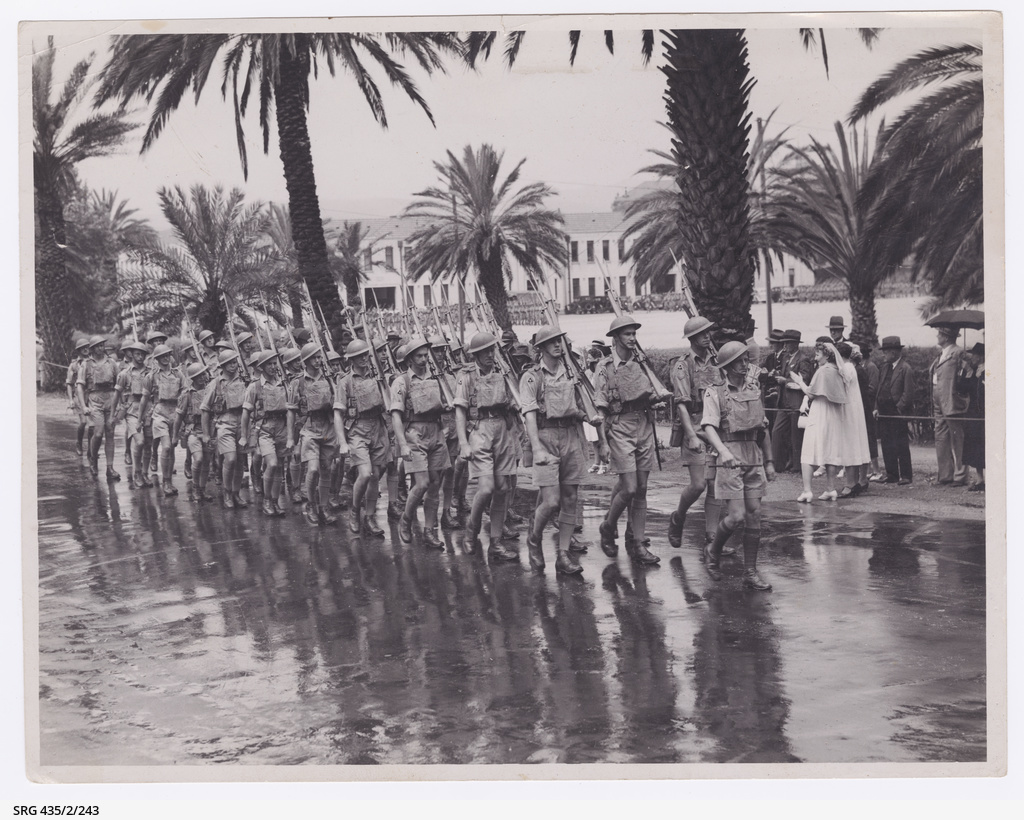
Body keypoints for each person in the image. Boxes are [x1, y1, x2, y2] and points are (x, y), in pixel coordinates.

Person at [700, 341, 776, 591]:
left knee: (754, 514)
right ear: (727, 367)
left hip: (752, 452)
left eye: (746, 359)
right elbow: (708, 426)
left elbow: (763, 427)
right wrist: (721, 451)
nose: (746, 364)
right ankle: (713, 550)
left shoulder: (754, 388)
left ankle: (750, 572)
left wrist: (769, 461)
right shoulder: (714, 392)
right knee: (736, 517)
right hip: (730, 454)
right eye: (740, 361)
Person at [518, 326, 587, 574]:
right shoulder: (532, 377)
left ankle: (563, 554)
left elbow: (582, 405)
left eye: (560, 340)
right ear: (541, 348)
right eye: (552, 342)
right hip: (545, 437)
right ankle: (534, 539)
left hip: (570, 435)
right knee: (551, 501)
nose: (558, 345)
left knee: (570, 498)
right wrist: (536, 448)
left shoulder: (572, 373)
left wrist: (590, 417)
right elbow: (529, 414)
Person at [594, 315, 660, 566]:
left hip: (643, 423)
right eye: (627, 334)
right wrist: (601, 441)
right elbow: (599, 404)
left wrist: (657, 399)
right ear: (616, 338)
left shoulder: (642, 362)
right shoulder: (605, 366)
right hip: (619, 425)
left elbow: (652, 389)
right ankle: (608, 527)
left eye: (634, 334)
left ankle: (638, 543)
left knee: (641, 489)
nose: (633, 339)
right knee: (629, 487)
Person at [454, 332, 519, 560]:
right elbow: (460, 411)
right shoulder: (467, 376)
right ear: (476, 354)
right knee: (486, 488)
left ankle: (496, 542)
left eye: (493, 350)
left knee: (503, 488)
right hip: (479, 429)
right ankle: (471, 532)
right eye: (486, 352)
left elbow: (516, 401)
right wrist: (463, 443)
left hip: (502, 428)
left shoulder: (504, 373)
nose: (491, 355)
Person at [668, 315, 724, 552]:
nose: (707, 335)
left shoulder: (718, 360)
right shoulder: (682, 365)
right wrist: (690, 435)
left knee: (715, 484)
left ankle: (712, 538)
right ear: (691, 338)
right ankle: (678, 516)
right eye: (702, 333)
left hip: (716, 425)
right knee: (699, 483)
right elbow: (681, 403)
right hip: (695, 424)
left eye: (708, 331)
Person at [390, 337, 451, 550]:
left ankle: (429, 531)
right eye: (419, 356)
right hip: (414, 435)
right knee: (422, 483)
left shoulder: (437, 378)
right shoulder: (402, 382)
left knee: (435, 486)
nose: (424, 359)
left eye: (426, 355)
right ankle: (406, 519)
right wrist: (403, 444)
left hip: (436, 432)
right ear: (409, 359)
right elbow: (396, 416)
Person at [333, 339, 389, 536]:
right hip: (357, 429)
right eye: (359, 356)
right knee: (365, 474)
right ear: (352, 360)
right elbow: (338, 414)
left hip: (378, 428)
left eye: (366, 355)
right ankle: (355, 510)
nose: (364, 359)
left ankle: (370, 516)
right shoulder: (345, 382)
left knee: (375, 475)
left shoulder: (379, 377)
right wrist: (342, 442)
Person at [287, 342, 339, 526]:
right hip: (309, 428)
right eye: (314, 358)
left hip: (328, 427)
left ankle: (323, 506)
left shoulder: (330, 380)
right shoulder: (298, 382)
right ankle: (311, 503)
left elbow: (338, 408)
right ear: (306, 361)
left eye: (319, 357)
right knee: (313, 469)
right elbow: (291, 411)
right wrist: (290, 439)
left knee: (327, 469)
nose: (318, 361)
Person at [791, 339, 848, 501]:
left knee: (809, 450)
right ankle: (830, 489)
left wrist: (799, 382)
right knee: (830, 450)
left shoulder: (823, 371)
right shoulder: (838, 371)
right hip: (834, 415)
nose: (815, 358)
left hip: (820, 412)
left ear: (826, 355)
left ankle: (807, 491)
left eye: (817, 354)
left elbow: (810, 394)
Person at [241, 351, 290, 516]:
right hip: (264, 429)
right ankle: (267, 500)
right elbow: (246, 413)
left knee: (280, 466)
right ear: (261, 367)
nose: (273, 367)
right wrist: (244, 435)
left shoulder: (283, 383)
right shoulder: (254, 387)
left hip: (282, 427)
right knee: (272, 464)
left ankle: (275, 501)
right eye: (269, 364)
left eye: (274, 363)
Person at [201, 348, 249, 509]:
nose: (233, 366)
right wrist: (206, 434)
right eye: (229, 363)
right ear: (222, 366)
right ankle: (227, 491)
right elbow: (205, 410)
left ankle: (236, 493)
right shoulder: (215, 384)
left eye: (235, 362)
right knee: (231, 458)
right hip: (224, 423)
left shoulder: (244, 380)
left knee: (241, 461)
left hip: (243, 423)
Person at [139, 344, 186, 497]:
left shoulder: (178, 374)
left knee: (171, 448)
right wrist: (140, 418)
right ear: (157, 359)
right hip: (160, 414)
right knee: (165, 447)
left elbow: (185, 394)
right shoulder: (151, 376)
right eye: (162, 356)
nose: (166, 358)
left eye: (168, 355)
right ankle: (165, 482)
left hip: (176, 414)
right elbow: (144, 399)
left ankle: (168, 480)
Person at [930, 326, 971, 486]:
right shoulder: (942, 354)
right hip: (938, 397)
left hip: (951, 398)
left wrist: (960, 393)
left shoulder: (958, 353)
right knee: (940, 435)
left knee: (957, 437)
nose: (937, 336)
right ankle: (945, 474)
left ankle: (960, 476)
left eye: (940, 333)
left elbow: (966, 374)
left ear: (946, 337)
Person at [76, 335, 120, 481]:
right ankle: (93, 458)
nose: (101, 348)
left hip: (110, 398)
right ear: (92, 349)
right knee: (99, 432)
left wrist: (121, 402)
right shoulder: (86, 364)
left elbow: (119, 384)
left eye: (102, 345)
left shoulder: (112, 362)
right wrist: (83, 406)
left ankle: (110, 467)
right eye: (98, 346)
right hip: (95, 400)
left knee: (110, 432)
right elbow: (80, 387)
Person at [172, 361, 215, 504]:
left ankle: (202, 488)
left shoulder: (211, 391)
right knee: (198, 459)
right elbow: (178, 417)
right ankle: (195, 487)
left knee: (207, 461)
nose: (203, 377)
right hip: (193, 431)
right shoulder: (186, 395)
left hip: (209, 430)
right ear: (193, 378)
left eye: (204, 374)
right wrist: (175, 436)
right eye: (199, 375)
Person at [772, 330, 814, 472]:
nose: (785, 345)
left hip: (796, 403)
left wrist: (785, 381)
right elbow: (784, 376)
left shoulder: (803, 359)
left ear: (795, 344)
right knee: (776, 432)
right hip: (783, 403)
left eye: (788, 343)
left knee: (796, 437)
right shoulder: (786, 358)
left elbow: (804, 382)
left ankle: (798, 467)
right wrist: (776, 376)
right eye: (784, 342)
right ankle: (777, 465)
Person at [875, 336, 915, 485]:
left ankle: (906, 475)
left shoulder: (906, 369)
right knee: (886, 444)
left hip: (897, 412)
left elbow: (908, 394)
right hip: (884, 412)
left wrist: (899, 408)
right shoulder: (884, 367)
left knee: (901, 444)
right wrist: (876, 407)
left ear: (894, 352)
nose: (884, 355)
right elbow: (879, 389)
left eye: (885, 352)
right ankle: (891, 474)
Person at [836, 342, 872, 497]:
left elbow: (840, 386)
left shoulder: (847, 368)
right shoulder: (849, 367)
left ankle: (851, 483)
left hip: (850, 411)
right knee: (852, 443)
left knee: (850, 444)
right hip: (851, 409)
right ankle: (855, 481)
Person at [960, 343, 985, 491]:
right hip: (973, 412)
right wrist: (967, 373)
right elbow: (962, 389)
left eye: (974, 355)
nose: (972, 358)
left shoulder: (988, 369)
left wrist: (982, 375)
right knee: (975, 446)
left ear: (981, 356)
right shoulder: (972, 370)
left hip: (984, 413)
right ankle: (979, 479)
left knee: (985, 445)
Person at [66, 338, 93, 457]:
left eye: (87, 347)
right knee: (83, 422)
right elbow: (69, 384)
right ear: (79, 351)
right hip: (79, 396)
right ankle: (79, 443)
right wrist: (71, 399)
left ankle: (91, 448)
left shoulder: (93, 362)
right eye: (83, 348)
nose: (86, 349)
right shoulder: (73, 365)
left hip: (92, 396)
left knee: (92, 424)